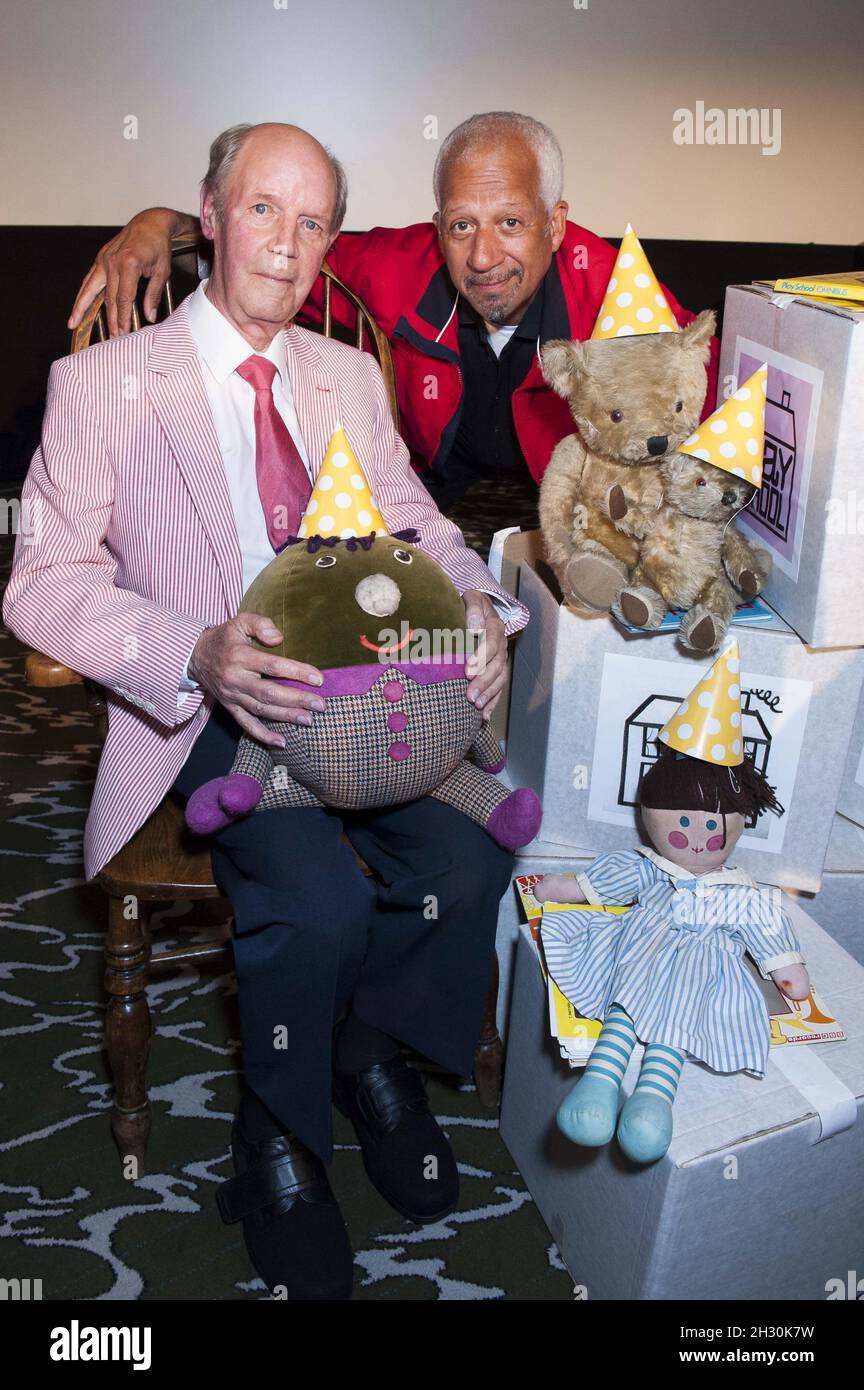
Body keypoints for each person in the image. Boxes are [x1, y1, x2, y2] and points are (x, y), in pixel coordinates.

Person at [5, 122, 529, 1301]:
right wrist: (192, 647)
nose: (288, 248)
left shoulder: (346, 375)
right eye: (263, 211)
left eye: (313, 223)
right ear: (208, 214)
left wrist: (483, 609)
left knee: (468, 853)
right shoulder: (102, 384)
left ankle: (369, 1050)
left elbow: (422, 525)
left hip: (372, 690)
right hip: (211, 709)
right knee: (319, 894)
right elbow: (40, 579)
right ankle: (278, 1141)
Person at [69, 111, 720, 544]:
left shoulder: (614, 295)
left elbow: (703, 389)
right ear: (438, 227)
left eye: (512, 224)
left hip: (564, 502)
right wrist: (166, 223)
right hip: (429, 498)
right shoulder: (397, 266)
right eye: (462, 225)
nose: (485, 256)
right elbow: (280, 247)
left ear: (554, 225)